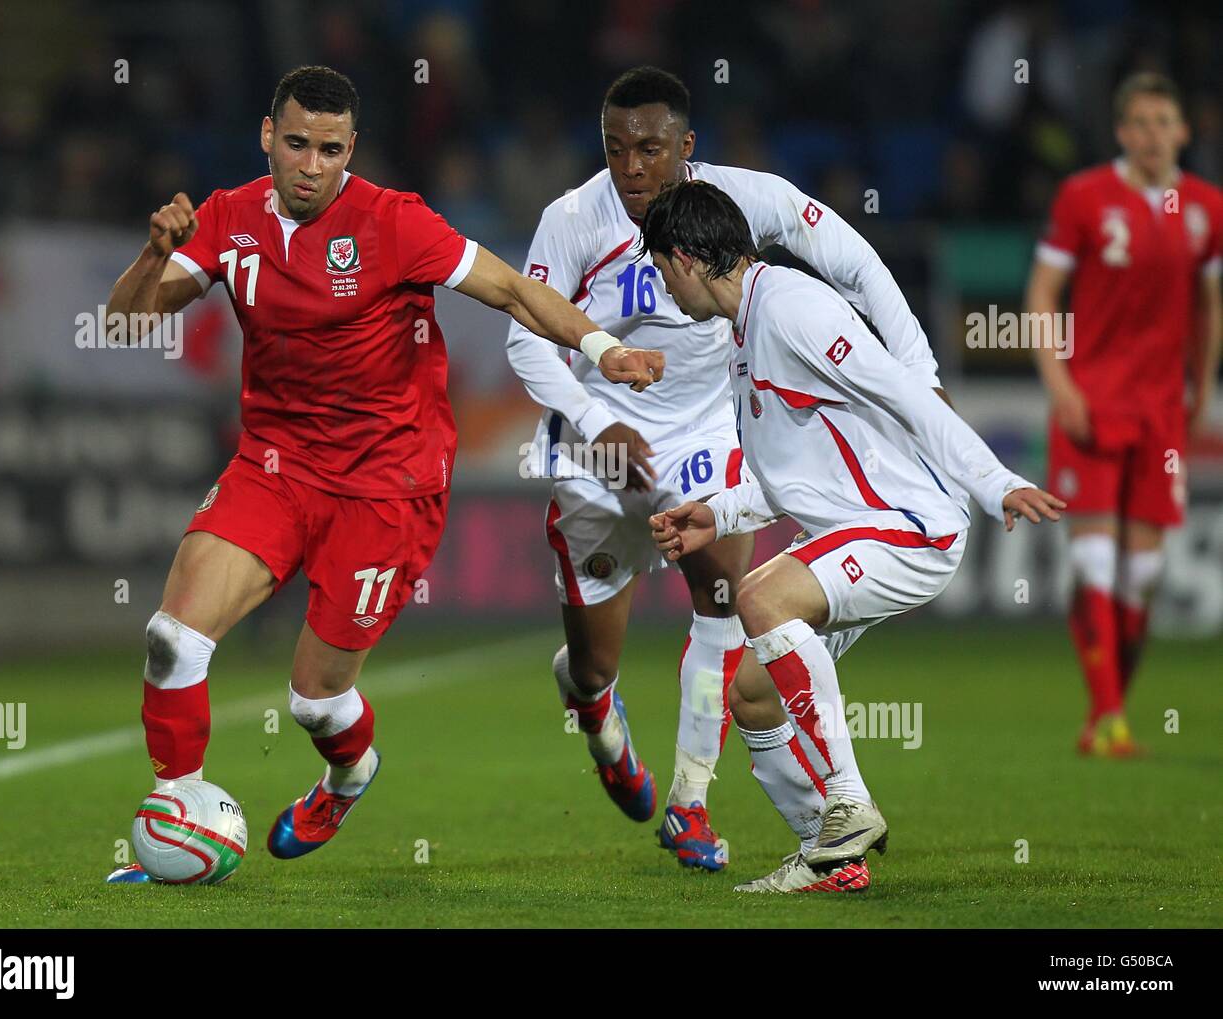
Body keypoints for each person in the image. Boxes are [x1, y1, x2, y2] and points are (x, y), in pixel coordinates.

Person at [103, 65, 661, 882]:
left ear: (350, 150)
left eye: (329, 149)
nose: (310, 164)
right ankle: (175, 814)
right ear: (268, 138)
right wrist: (153, 257)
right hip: (275, 464)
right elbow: (125, 327)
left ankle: (348, 774)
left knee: (315, 701)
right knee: (170, 638)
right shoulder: (228, 217)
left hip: (387, 484)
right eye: (295, 144)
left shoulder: (394, 223)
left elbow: (510, 289)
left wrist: (605, 350)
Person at [507, 66, 950, 871]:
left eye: (649, 149)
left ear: (687, 146)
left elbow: (854, 261)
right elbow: (522, 337)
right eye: (615, 149)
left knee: (725, 607)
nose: (632, 168)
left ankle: (690, 800)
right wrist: (598, 411)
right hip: (599, 448)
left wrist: (916, 369)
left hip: (707, 436)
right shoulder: (571, 218)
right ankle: (597, 711)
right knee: (593, 659)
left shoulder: (747, 198)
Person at [642, 180, 1065, 892]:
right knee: (748, 691)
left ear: (684, 258)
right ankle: (828, 857)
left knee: (760, 597)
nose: (663, 286)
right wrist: (714, 514)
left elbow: (904, 392)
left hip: (911, 525)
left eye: (659, 268)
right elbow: (792, 480)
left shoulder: (792, 306)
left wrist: (996, 482)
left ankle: (847, 801)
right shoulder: (744, 333)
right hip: (859, 529)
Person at [1024, 72, 1223, 756]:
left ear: (1184, 130)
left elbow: (1208, 304)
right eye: (1137, 122)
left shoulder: (1206, 208)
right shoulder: (1085, 196)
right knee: (1097, 559)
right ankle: (1109, 717)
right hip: (1091, 403)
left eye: (1163, 121)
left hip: (1161, 409)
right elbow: (1042, 295)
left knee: (1141, 576)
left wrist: (1204, 383)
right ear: (1119, 132)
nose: (1150, 135)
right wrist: (1060, 383)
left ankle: (1107, 711)